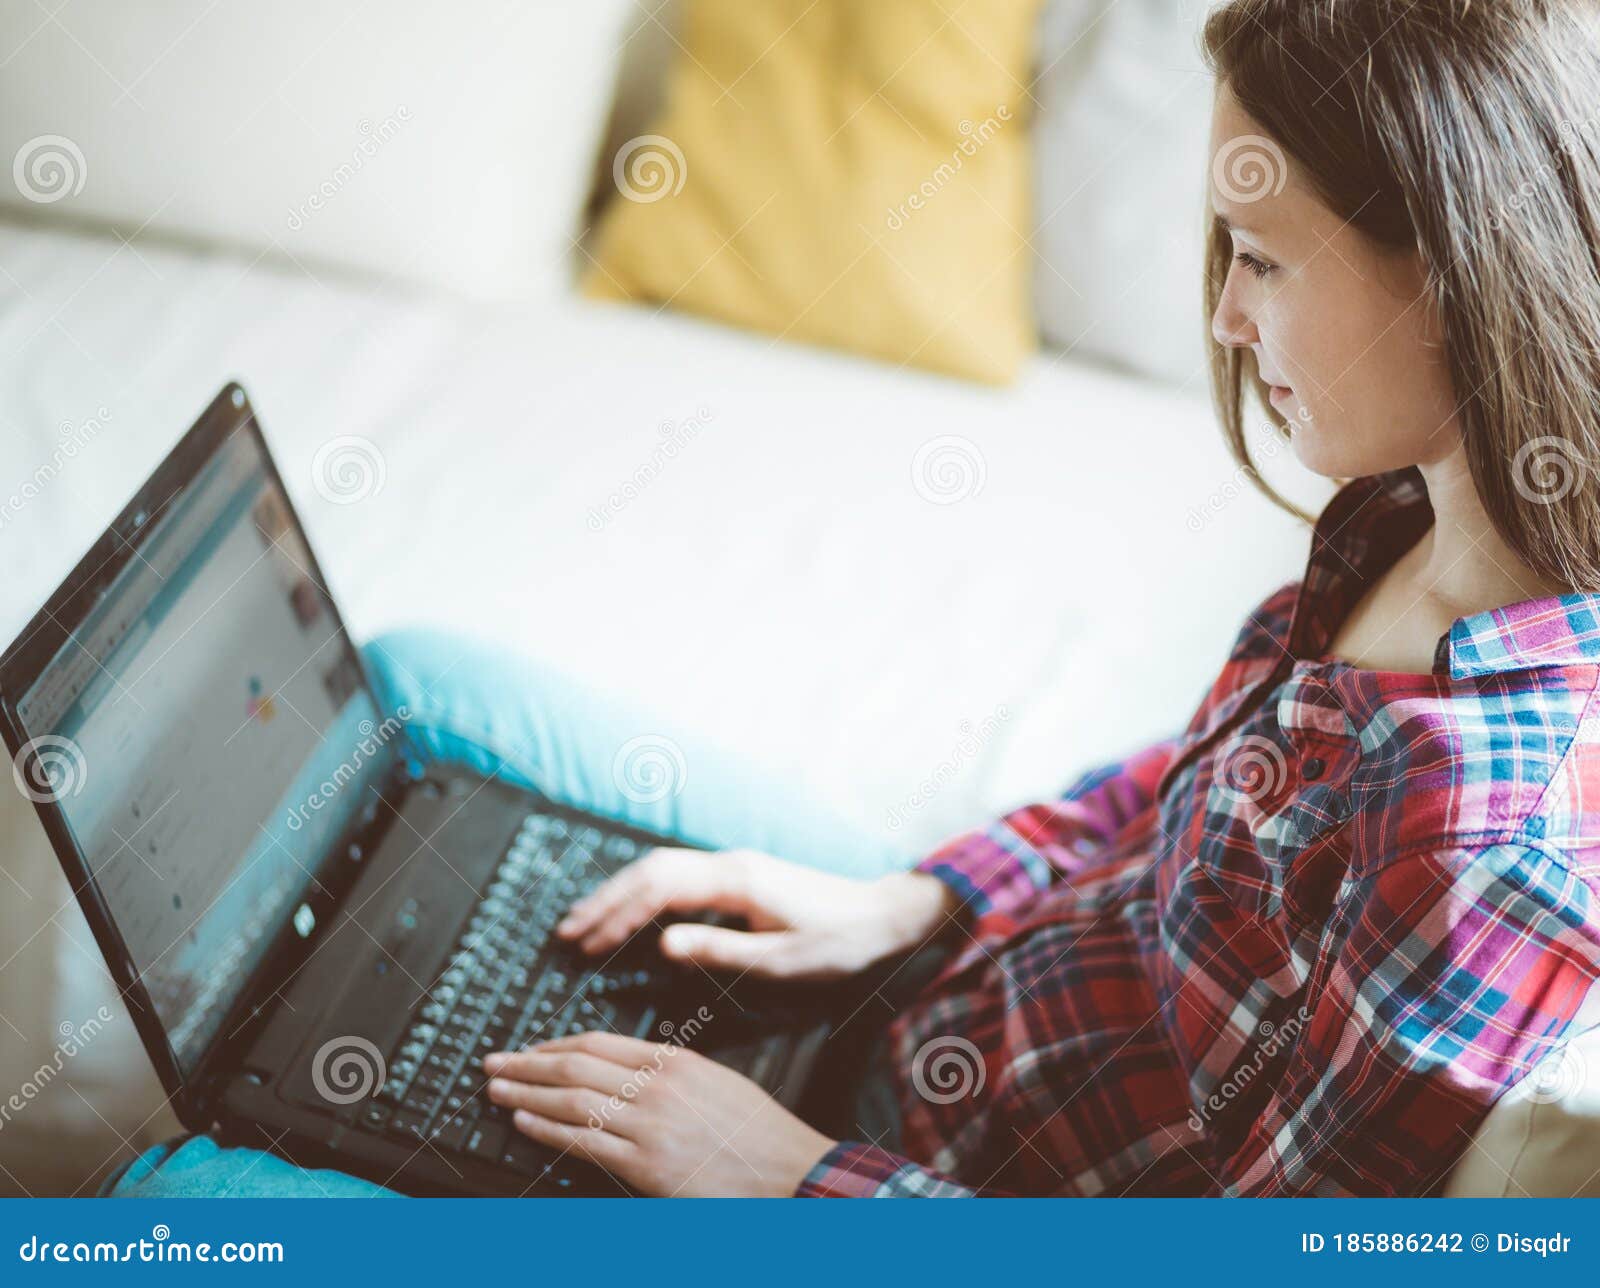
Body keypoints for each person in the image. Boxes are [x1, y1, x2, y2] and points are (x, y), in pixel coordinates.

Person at [111, 0, 1600, 1199]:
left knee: (185, 1206)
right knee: (420, 681)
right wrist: (910, 903)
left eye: (1263, 261)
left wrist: (789, 1182)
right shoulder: (1398, 518)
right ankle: (303, 1039)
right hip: (925, 998)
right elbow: (1177, 793)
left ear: (1451, 277)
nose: (1221, 314)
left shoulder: (1487, 843)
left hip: (883, 1194)